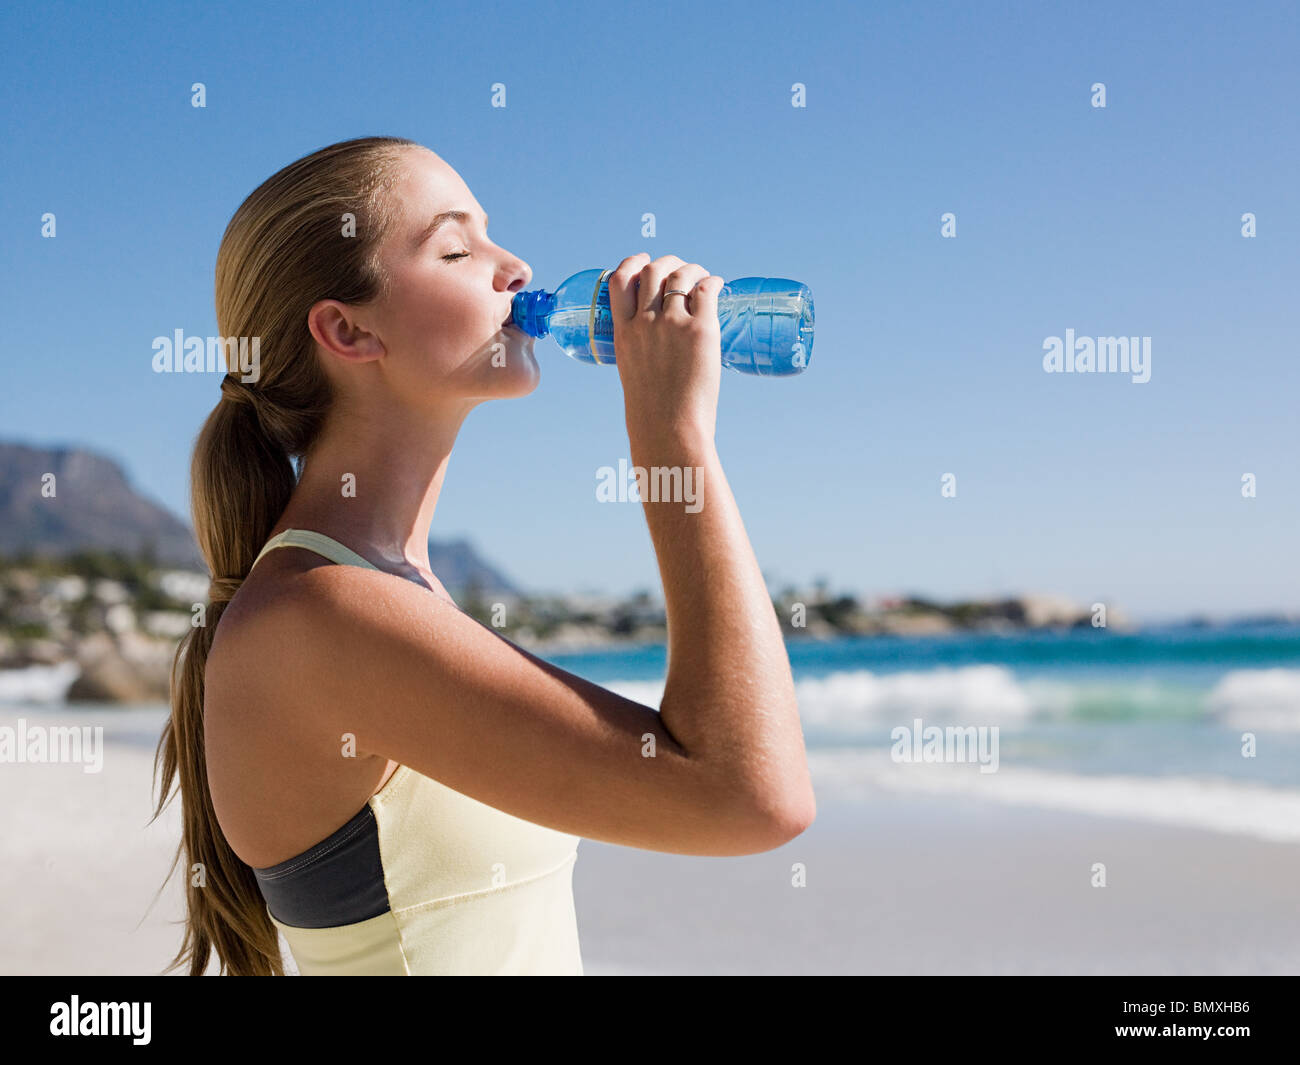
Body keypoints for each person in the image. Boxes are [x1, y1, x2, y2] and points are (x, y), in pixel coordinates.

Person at [150, 135, 815, 976]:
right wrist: (673, 439)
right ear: (347, 329)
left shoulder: (392, 596)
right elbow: (751, 797)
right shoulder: (323, 614)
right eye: (456, 247)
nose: (516, 267)